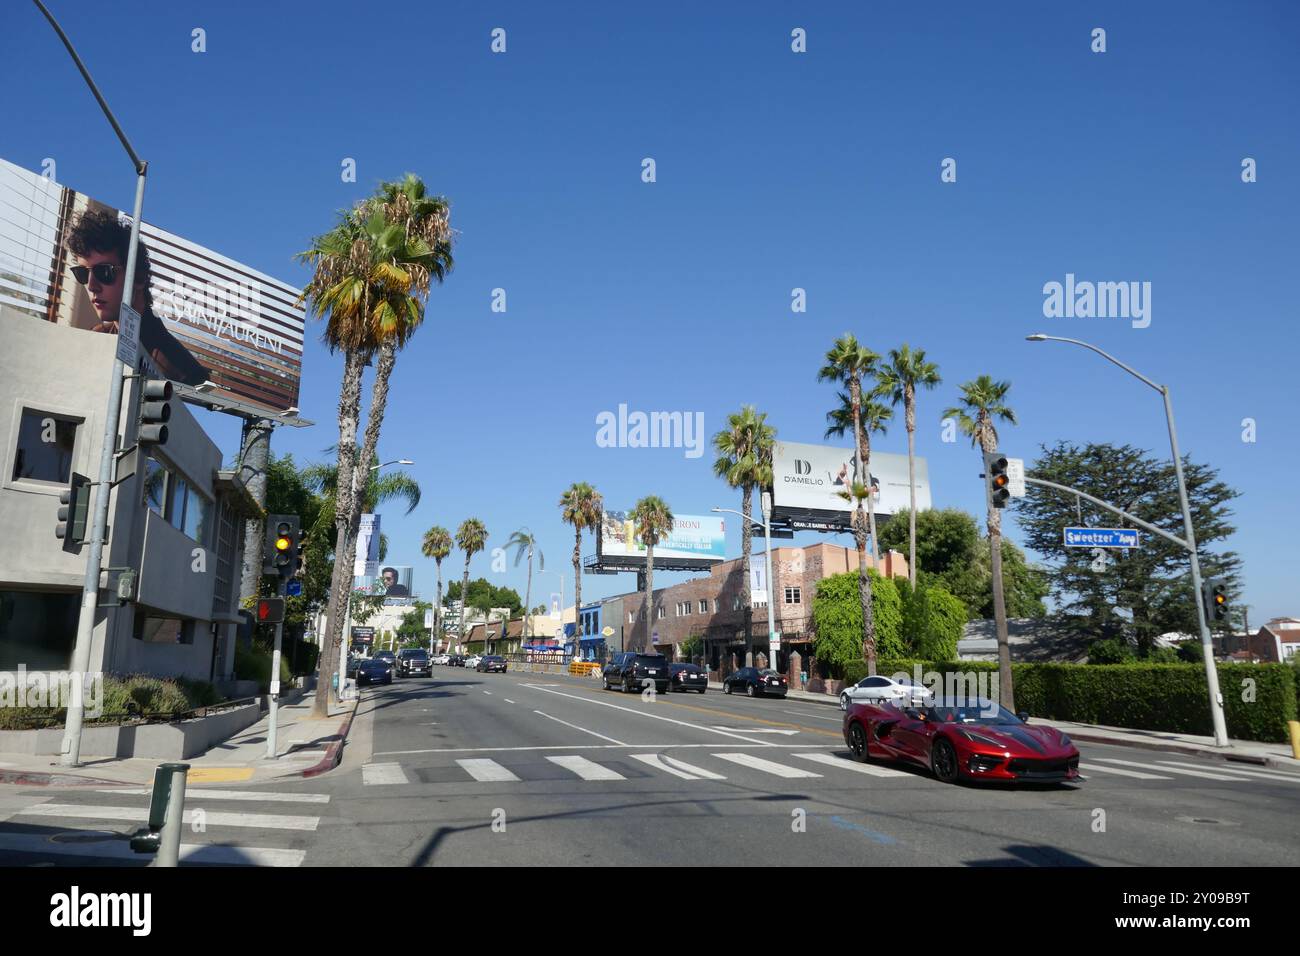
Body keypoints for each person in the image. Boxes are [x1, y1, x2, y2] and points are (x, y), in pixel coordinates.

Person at [66, 208, 207, 385]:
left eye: (104, 272)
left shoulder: (183, 371)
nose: (91, 286)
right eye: (82, 274)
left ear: (138, 277)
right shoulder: (97, 339)